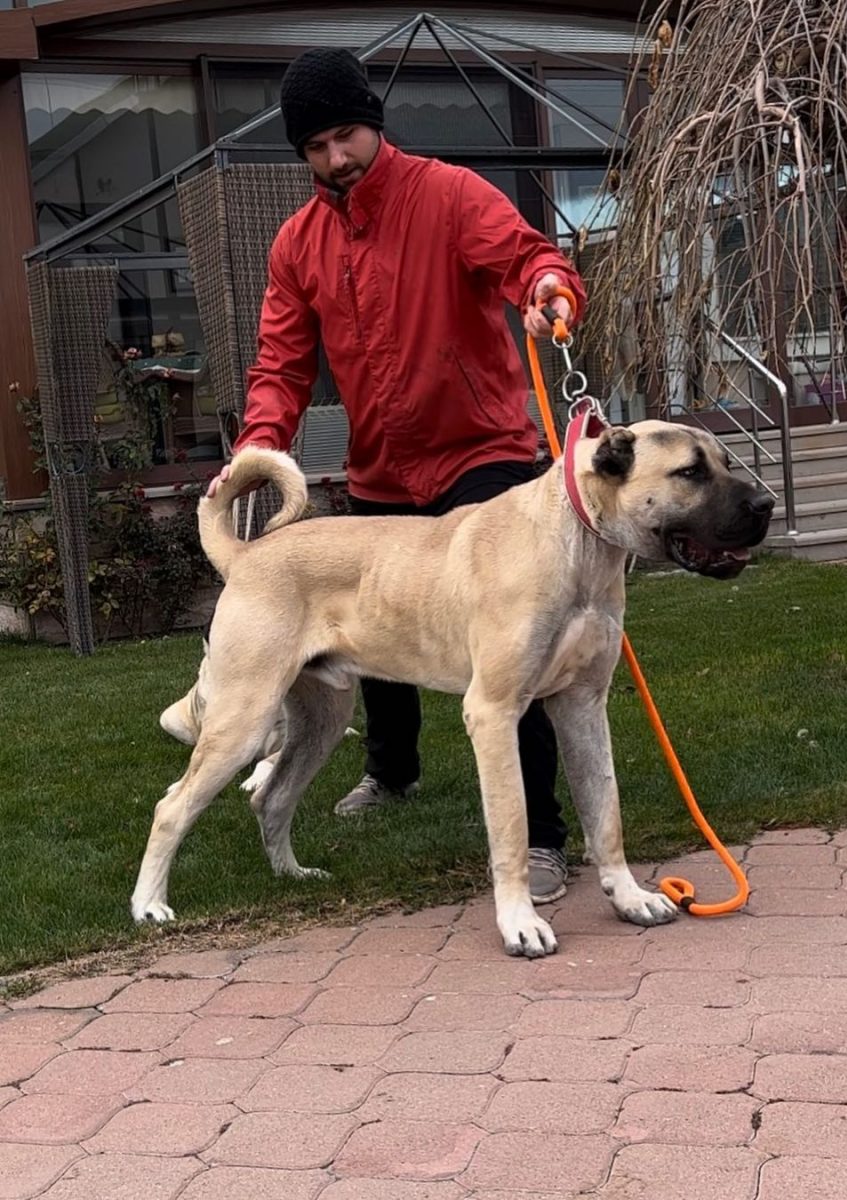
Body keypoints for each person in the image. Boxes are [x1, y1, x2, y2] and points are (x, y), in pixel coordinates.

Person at [207, 46, 587, 903]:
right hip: (380, 465)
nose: (336, 158)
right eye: (316, 147)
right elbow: (281, 363)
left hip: (480, 451)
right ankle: (392, 773)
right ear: (301, 154)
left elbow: (525, 257)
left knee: (512, 655)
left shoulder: (448, 194)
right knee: (371, 637)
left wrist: (552, 288)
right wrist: (260, 447)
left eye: (347, 135)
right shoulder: (297, 243)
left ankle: (541, 840)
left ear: (374, 123)